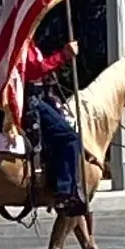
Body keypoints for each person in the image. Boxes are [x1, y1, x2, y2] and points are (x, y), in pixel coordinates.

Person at [23, 36, 86, 216]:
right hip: (31, 99)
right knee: (71, 137)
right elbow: (36, 70)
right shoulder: (21, 44)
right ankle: (64, 193)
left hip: (41, 95)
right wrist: (63, 56)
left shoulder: (30, 44)